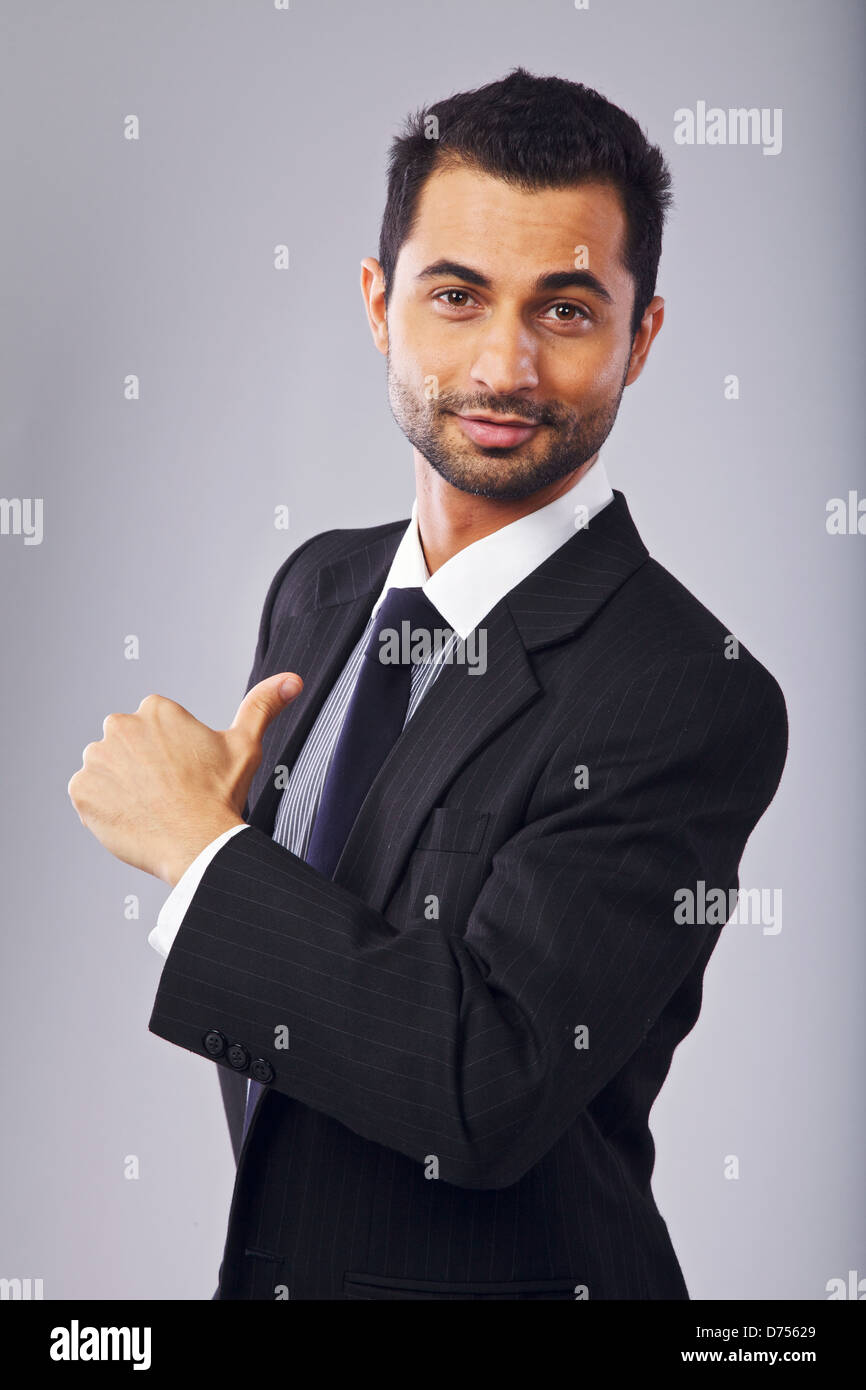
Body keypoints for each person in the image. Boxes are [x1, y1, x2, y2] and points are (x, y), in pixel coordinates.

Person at [67, 68, 788, 1300]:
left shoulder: (685, 688)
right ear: (377, 303)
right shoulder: (318, 589)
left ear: (641, 335)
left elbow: (482, 1084)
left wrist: (197, 852)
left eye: (564, 310)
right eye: (454, 296)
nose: (503, 365)